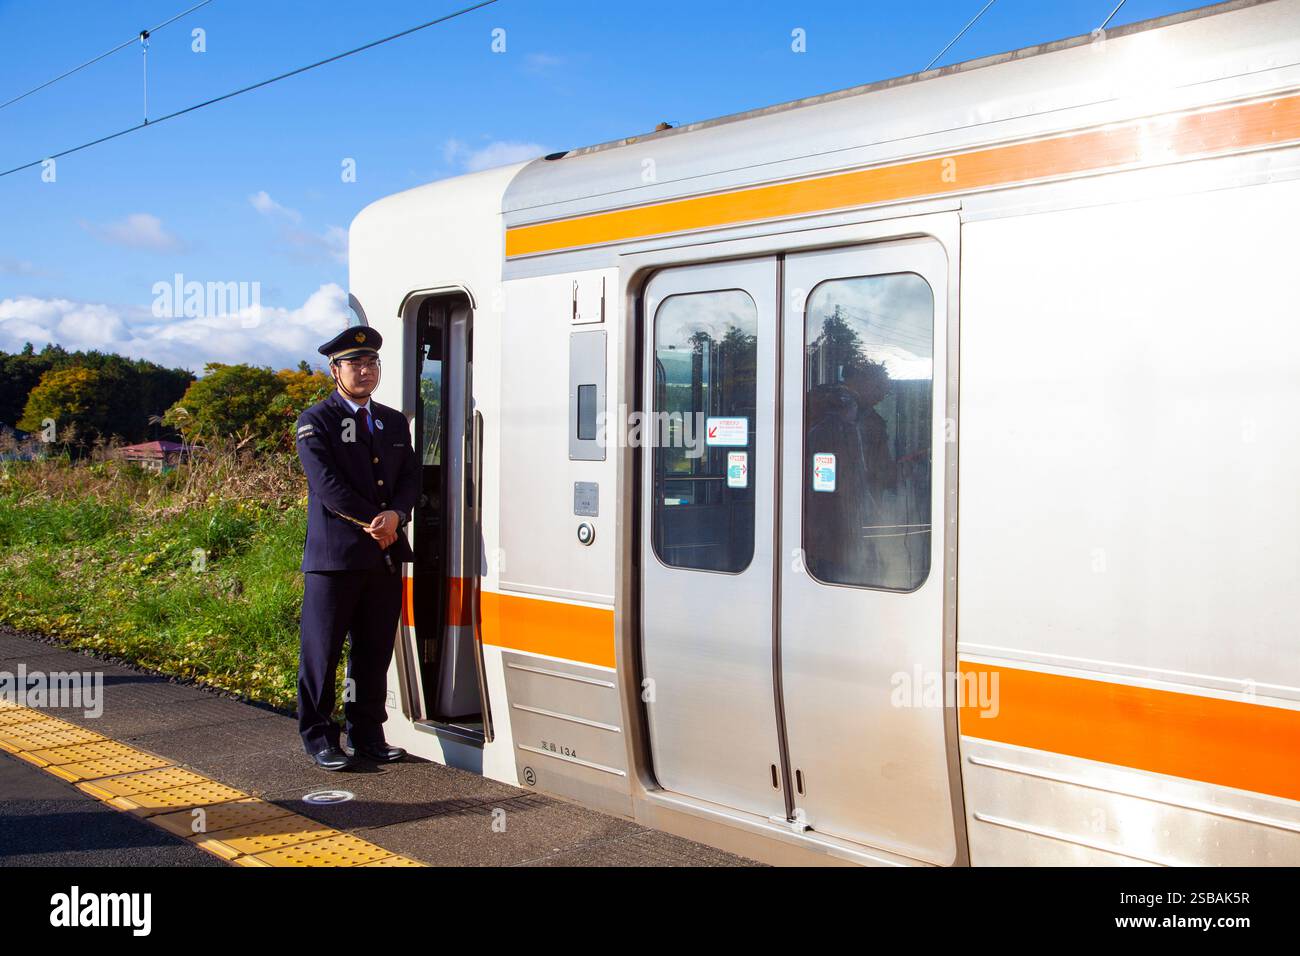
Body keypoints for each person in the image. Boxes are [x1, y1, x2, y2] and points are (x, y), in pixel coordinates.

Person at [294, 326, 420, 770]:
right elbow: (328, 487)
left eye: (371, 364)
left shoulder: (391, 420)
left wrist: (398, 515)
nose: (365, 371)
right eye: (355, 364)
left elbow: (409, 477)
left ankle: (368, 734)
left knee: (374, 650)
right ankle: (320, 737)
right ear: (335, 369)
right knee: (322, 651)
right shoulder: (316, 421)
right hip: (336, 559)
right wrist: (377, 520)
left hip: (383, 555)